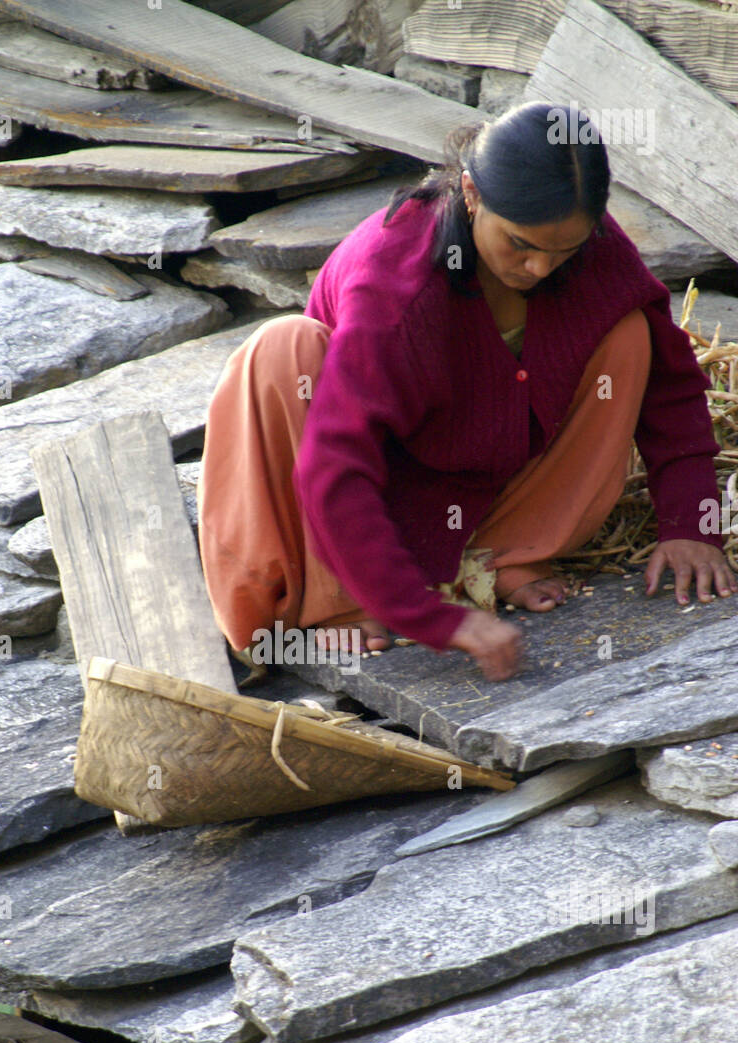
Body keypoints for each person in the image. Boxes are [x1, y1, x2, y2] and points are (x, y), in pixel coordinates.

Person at [197, 102, 736, 682]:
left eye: (565, 252)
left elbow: (671, 384)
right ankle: (340, 600)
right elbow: (334, 469)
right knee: (285, 346)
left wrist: (691, 526)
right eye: (519, 245)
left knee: (632, 335)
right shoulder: (395, 281)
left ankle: (498, 556)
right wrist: (425, 616)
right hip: (362, 511)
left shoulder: (592, 248)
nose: (539, 269)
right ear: (472, 194)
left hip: (483, 480)